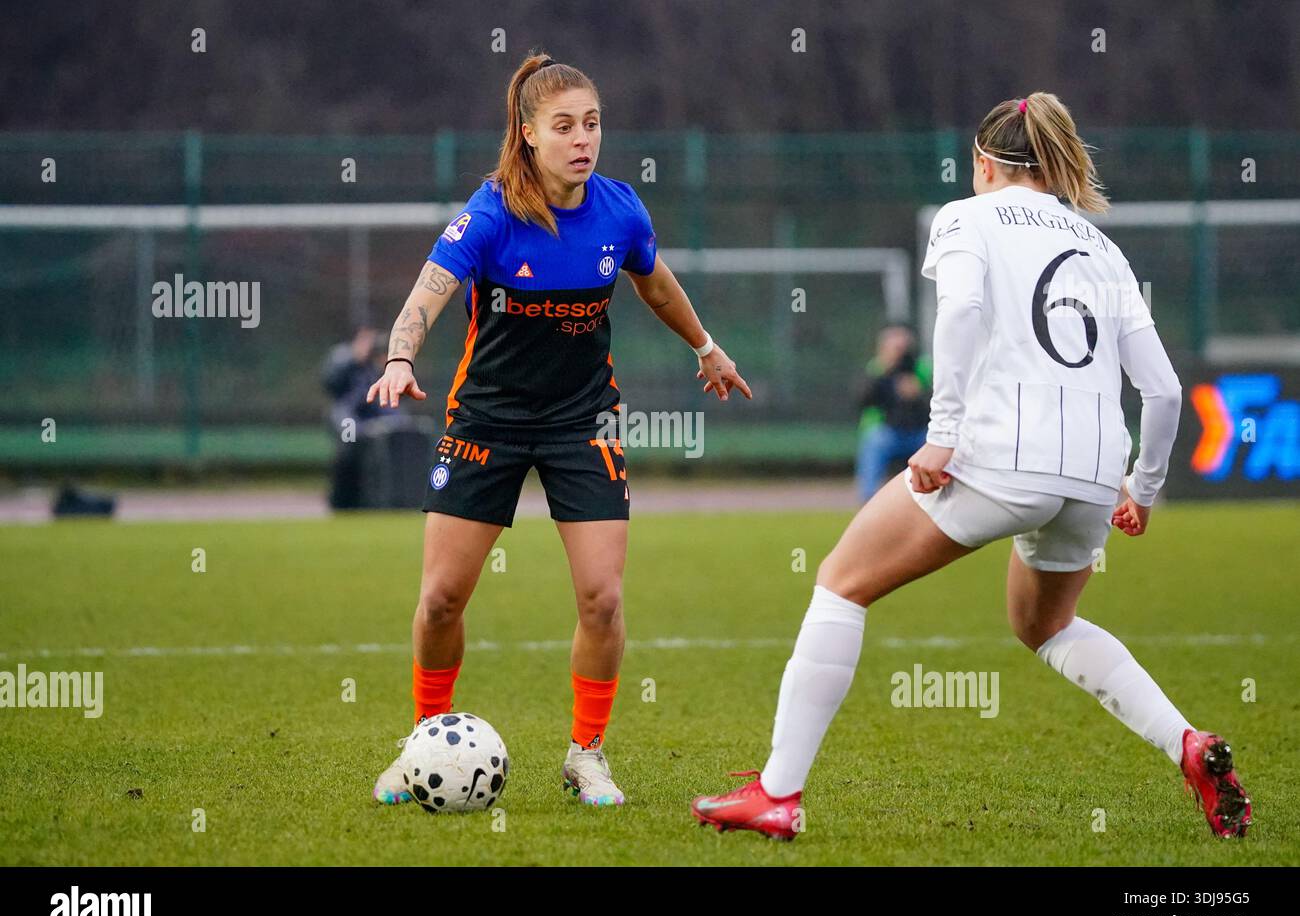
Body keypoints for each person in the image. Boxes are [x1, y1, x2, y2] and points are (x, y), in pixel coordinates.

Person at [691, 92, 1251, 840]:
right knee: (1046, 626)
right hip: (1091, 469)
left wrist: (943, 432)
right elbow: (1164, 389)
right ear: (1049, 164)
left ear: (984, 163)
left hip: (999, 454)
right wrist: (1141, 488)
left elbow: (956, 315)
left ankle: (778, 794)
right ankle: (1188, 743)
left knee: (841, 582)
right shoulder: (1104, 248)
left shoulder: (967, 216)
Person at [367, 53, 750, 808]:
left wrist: (705, 347)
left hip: (584, 419)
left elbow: (655, 282)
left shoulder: (620, 211)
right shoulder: (489, 214)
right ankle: (422, 746)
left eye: (593, 123)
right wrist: (401, 354)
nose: (584, 140)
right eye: (565, 126)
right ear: (529, 134)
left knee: (603, 599)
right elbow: (431, 287)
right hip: (488, 417)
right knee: (442, 599)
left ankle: (587, 755)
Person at [321, 326, 396, 509]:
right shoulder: (343, 356)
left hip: (369, 419)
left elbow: (381, 401)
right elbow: (330, 383)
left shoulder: (373, 367)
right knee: (349, 445)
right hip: (346, 416)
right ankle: (340, 500)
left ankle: (370, 499)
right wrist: (355, 358)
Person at [855, 325, 931, 501]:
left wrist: (917, 392)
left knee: (936, 444)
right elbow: (864, 400)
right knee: (874, 440)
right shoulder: (877, 369)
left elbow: (938, 402)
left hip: (920, 431)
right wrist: (885, 370)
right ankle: (868, 498)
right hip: (890, 430)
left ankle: (933, 498)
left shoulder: (922, 369)